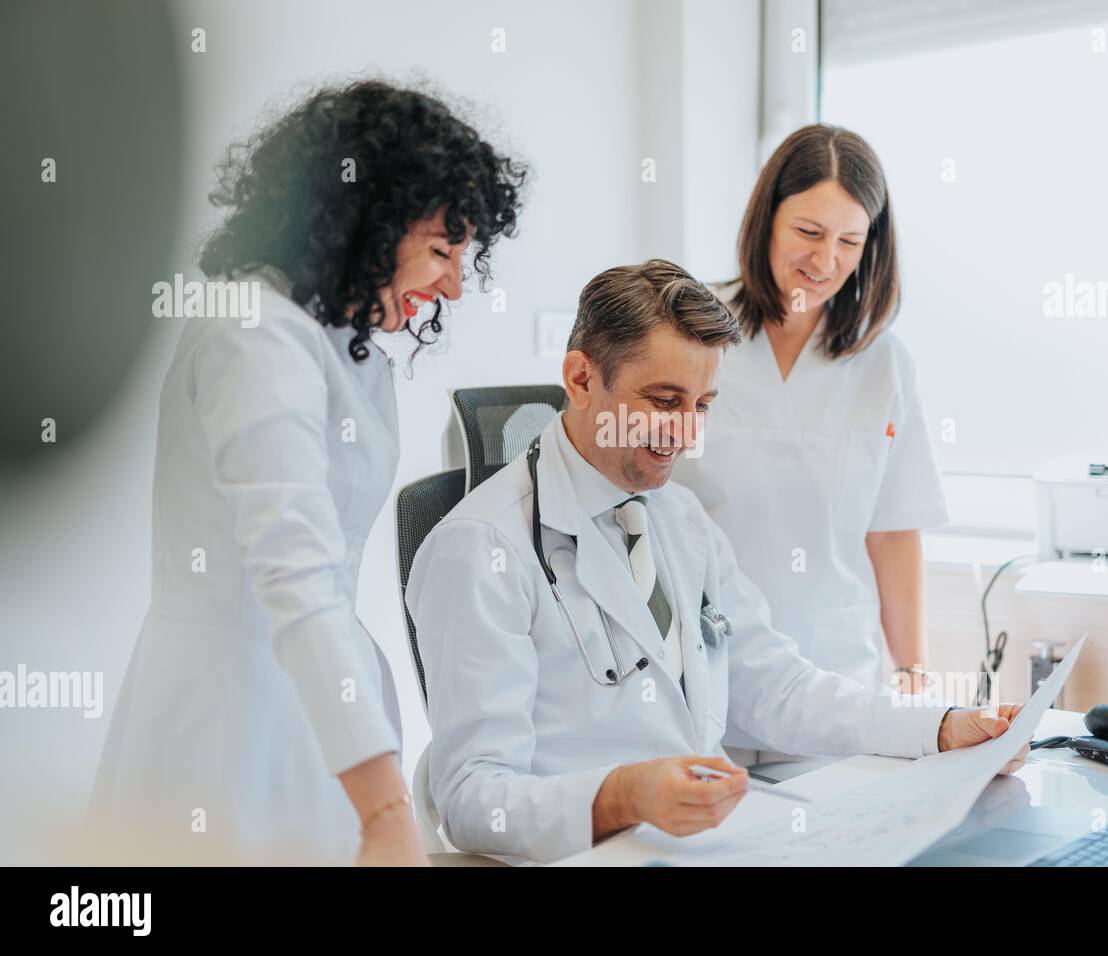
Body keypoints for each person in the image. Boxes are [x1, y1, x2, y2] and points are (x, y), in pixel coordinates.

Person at [405, 259, 1024, 864]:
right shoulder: (483, 547)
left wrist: (939, 726)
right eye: (665, 400)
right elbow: (471, 799)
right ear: (581, 378)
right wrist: (621, 796)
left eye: (702, 405)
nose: (685, 433)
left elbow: (777, 685)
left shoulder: (678, 518)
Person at [89, 80, 526, 865]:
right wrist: (388, 810)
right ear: (369, 220)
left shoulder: (343, 339)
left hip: (319, 709)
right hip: (227, 722)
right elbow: (294, 572)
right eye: (441, 250)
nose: (457, 284)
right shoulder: (252, 332)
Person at [673, 124, 948, 769]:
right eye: (809, 232)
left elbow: (893, 531)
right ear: (766, 219)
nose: (826, 262)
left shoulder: (884, 364)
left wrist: (913, 673)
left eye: (850, 241)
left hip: (832, 681)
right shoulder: (691, 330)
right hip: (698, 666)